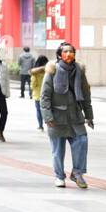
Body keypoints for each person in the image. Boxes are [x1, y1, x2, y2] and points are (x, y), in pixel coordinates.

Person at [40, 43, 93, 188]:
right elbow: (44, 96)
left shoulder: (79, 71)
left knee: (82, 141)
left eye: (71, 51)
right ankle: (59, 176)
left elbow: (86, 94)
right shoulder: (52, 70)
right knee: (58, 150)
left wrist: (89, 116)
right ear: (59, 54)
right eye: (65, 51)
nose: (69, 54)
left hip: (75, 116)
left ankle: (77, 173)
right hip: (57, 118)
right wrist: (48, 117)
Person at [29, 55, 49, 130]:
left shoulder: (35, 73)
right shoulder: (49, 71)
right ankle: (49, 124)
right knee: (47, 109)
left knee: (38, 110)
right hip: (47, 94)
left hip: (38, 95)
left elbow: (33, 84)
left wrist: (32, 89)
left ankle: (40, 126)